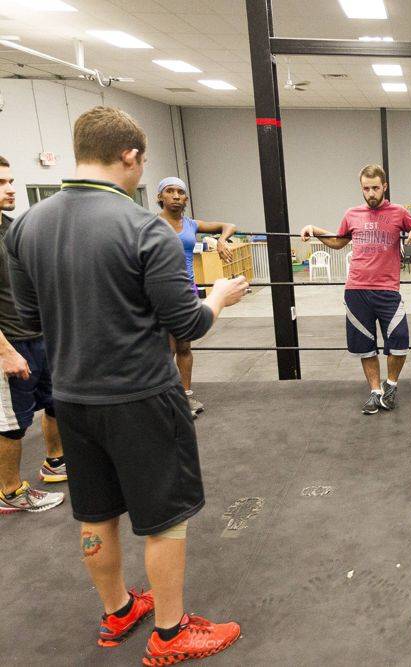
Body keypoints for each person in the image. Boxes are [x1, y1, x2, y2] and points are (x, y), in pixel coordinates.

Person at [5, 106, 248, 663]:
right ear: (131, 156)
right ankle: (169, 632)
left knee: (96, 511)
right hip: (141, 396)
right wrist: (216, 297)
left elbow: (31, 319)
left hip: (71, 398)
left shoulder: (26, 226)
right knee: (165, 515)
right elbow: (187, 325)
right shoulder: (145, 230)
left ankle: (118, 612)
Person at [301, 164, 411, 414]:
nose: (371, 193)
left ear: (384, 187)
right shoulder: (352, 214)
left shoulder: (398, 212)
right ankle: (375, 391)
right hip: (356, 289)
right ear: (361, 188)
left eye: (375, 188)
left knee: (400, 339)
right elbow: (338, 242)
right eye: (366, 188)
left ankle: (390, 386)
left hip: (387, 290)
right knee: (365, 345)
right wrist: (314, 230)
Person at [0, 156, 65, 514]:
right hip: (10, 343)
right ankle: (9, 491)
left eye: (10, 181)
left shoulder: (12, 229)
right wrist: (6, 352)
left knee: (56, 402)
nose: (10, 188)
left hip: (40, 336)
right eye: (1, 183)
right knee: (13, 424)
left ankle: (54, 462)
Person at [156, 176, 239, 418]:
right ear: (160, 197)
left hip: (187, 291)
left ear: (186, 198)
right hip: (161, 291)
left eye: (180, 192)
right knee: (166, 348)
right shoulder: (152, 224)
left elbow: (228, 225)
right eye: (169, 191)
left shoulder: (191, 224)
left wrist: (222, 240)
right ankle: (164, 399)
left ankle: (186, 395)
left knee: (184, 345)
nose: (175, 196)